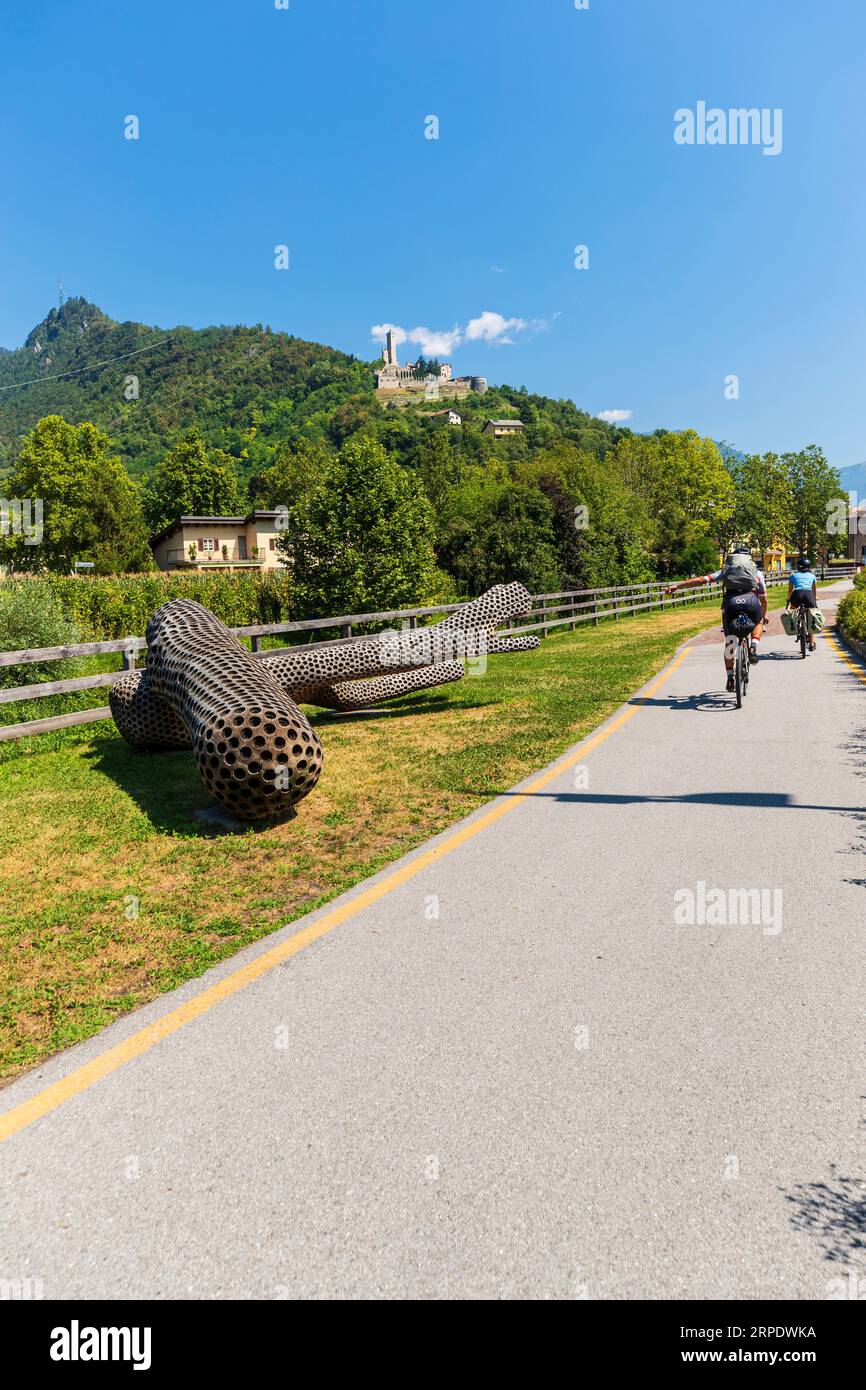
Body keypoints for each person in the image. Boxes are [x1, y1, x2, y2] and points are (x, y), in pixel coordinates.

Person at [667, 546, 767, 693]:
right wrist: (764, 616)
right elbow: (764, 599)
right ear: (749, 558)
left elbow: (703, 580)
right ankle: (753, 647)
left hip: (731, 604)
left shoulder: (726, 571)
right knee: (758, 622)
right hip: (751, 601)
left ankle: (730, 677)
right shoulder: (756, 573)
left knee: (730, 641)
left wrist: (678, 585)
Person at [786, 557, 818, 652]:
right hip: (809, 596)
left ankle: (795, 625)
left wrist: (788, 599)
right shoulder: (812, 576)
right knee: (811, 618)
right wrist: (815, 598)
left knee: (793, 610)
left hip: (797, 595)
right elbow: (814, 590)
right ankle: (812, 644)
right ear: (808, 567)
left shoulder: (793, 576)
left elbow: (790, 591)